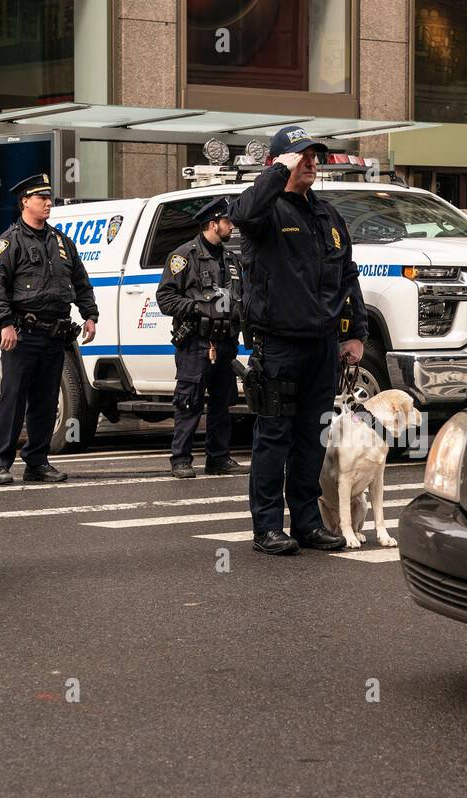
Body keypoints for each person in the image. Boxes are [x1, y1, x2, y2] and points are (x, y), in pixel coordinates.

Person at [229, 125, 369, 556]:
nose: (311, 162)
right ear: (281, 162)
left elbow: (347, 276)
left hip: (322, 344)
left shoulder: (326, 214)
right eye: (301, 156)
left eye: (314, 155)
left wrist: (355, 332)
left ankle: (307, 522)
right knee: (275, 436)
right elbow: (243, 214)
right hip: (278, 344)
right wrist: (275, 172)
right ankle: (267, 526)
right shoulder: (265, 210)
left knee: (314, 437)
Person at [0, 173, 99, 484]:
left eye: (50, 198)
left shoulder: (61, 242)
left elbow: (81, 282)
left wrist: (90, 314)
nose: (49, 203)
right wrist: (5, 323)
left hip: (54, 335)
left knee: (46, 403)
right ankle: (0, 464)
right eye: (41, 198)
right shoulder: (9, 242)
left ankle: (37, 462)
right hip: (21, 334)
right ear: (25, 202)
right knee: (13, 400)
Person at [155, 196, 248, 479]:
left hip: (225, 343)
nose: (231, 226)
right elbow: (165, 298)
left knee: (223, 402)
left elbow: (241, 299)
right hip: (196, 341)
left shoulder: (232, 260)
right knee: (189, 401)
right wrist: (196, 308)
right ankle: (180, 459)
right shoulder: (184, 257)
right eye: (227, 221)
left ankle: (218, 458)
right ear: (212, 223)